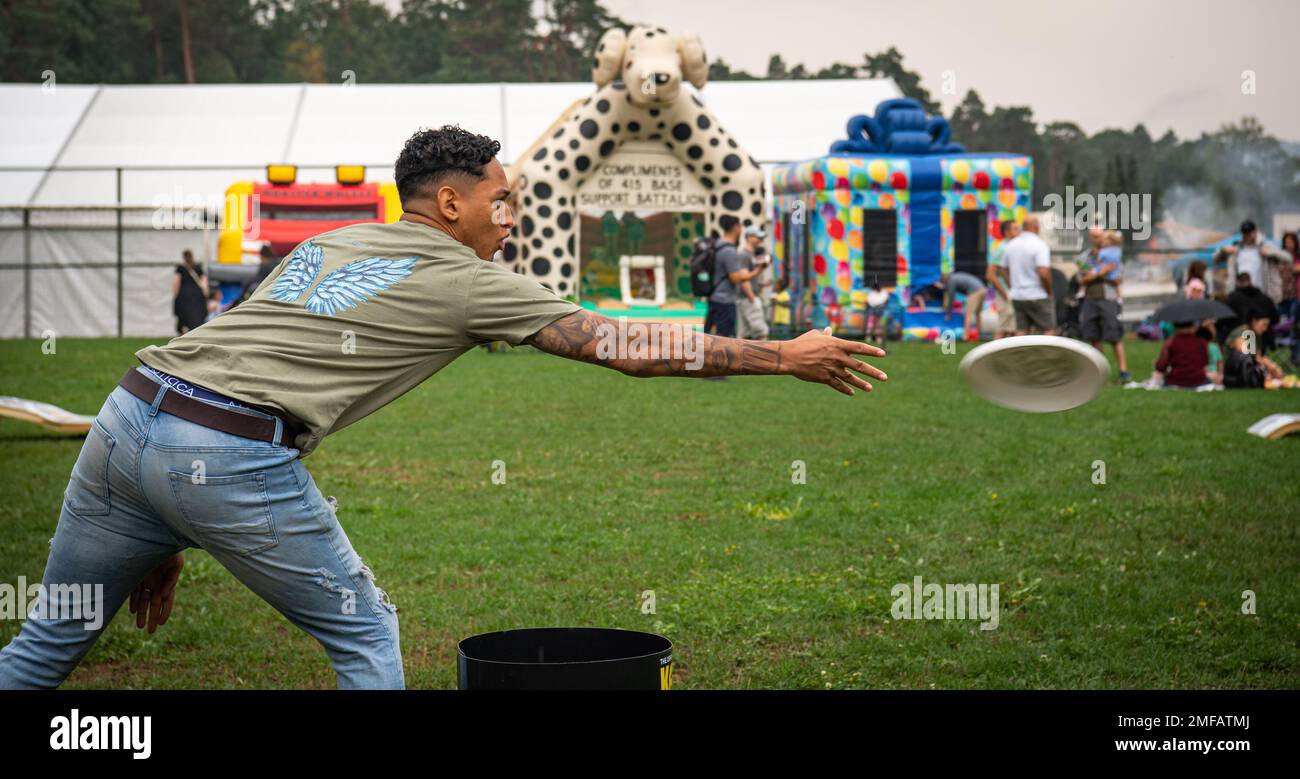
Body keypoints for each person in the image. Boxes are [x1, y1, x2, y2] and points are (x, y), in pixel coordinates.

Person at [0, 125, 888, 690]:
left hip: (126, 419)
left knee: (43, 653)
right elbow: (619, 347)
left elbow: (242, 353)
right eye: (503, 202)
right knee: (368, 640)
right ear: (453, 201)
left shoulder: (336, 237)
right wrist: (784, 354)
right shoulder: (471, 279)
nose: (512, 218)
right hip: (223, 450)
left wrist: (163, 519)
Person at [1078, 229, 1130, 381]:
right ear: (1090, 238)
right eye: (1094, 236)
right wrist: (1102, 273)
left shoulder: (1115, 255)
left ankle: (1123, 371)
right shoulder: (1084, 257)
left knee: (1114, 335)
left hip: (1109, 299)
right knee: (1093, 336)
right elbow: (1082, 279)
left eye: (1100, 236)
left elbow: (1118, 280)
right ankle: (1099, 371)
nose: (1098, 239)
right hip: (1090, 299)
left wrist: (1096, 274)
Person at [705, 214, 767, 339]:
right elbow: (735, 278)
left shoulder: (717, 245)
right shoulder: (729, 250)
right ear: (736, 228)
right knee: (724, 338)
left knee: (714, 336)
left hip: (714, 296)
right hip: (725, 301)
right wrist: (757, 271)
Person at [1213, 220, 1290, 304]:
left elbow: (1288, 258)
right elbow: (1215, 259)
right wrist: (1222, 250)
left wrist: (1271, 253)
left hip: (1262, 293)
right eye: (1245, 233)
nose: (1247, 236)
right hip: (1241, 293)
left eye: (1250, 232)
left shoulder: (1266, 247)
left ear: (1255, 232)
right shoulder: (1235, 249)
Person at [1004, 214, 1055, 335]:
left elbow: (1004, 269)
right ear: (1036, 227)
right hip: (1037, 294)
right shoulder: (1040, 245)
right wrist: (1049, 291)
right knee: (1048, 330)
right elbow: (1043, 273)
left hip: (1017, 296)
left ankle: (1020, 354)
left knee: (1021, 331)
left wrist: (1012, 285)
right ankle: (1047, 355)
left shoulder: (1011, 245)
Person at [735, 226, 771, 340]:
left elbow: (748, 278)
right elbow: (743, 279)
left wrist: (760, 283)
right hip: (748, 299)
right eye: (758, 237)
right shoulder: (744, 255)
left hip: (746, 298)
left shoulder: (750, 255)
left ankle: (741, 358)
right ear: (749, 237)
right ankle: (766, 358)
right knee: (761, 332)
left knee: (745, 335)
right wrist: (753, 299)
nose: (761, 240)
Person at [986, 219, 1020, 338]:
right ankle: (992, 354)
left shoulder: (1013, 247)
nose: (1019, 232)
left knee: (1013, 328)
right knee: (1003, 327)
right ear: (1006, 232)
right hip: (1005, 293)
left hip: (1014, 293)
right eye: (1015, 229)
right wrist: (1004, 293)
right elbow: (990, 274)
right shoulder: (1002, 249)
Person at [1154, 321, 1210, 389]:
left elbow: (1161, 366)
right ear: (1192, 326)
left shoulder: (1170, 342)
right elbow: (1205, 362)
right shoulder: (1201, 342)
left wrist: (1156, 363)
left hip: (1175, 380)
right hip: (1198, 380)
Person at [172, 249, 209, 334]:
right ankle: (196, 334)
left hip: (184, 295)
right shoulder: (198, 267)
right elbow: (204, 282)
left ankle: (185, 333)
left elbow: (176, 283)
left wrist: (175, 296)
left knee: (184, 317)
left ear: (183, 257)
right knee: (197, 317)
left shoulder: (180, 268)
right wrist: (206, 294)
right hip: (197, 295)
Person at [942, 270, 986, 340]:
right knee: (978, 314)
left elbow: (951, 297)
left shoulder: (951, 280)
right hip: (983, 289)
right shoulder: (955, 277)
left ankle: (965, 336)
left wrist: (948, 314)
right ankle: (978, 335)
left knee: (968, 313)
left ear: (944, 277)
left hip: (975, 291)